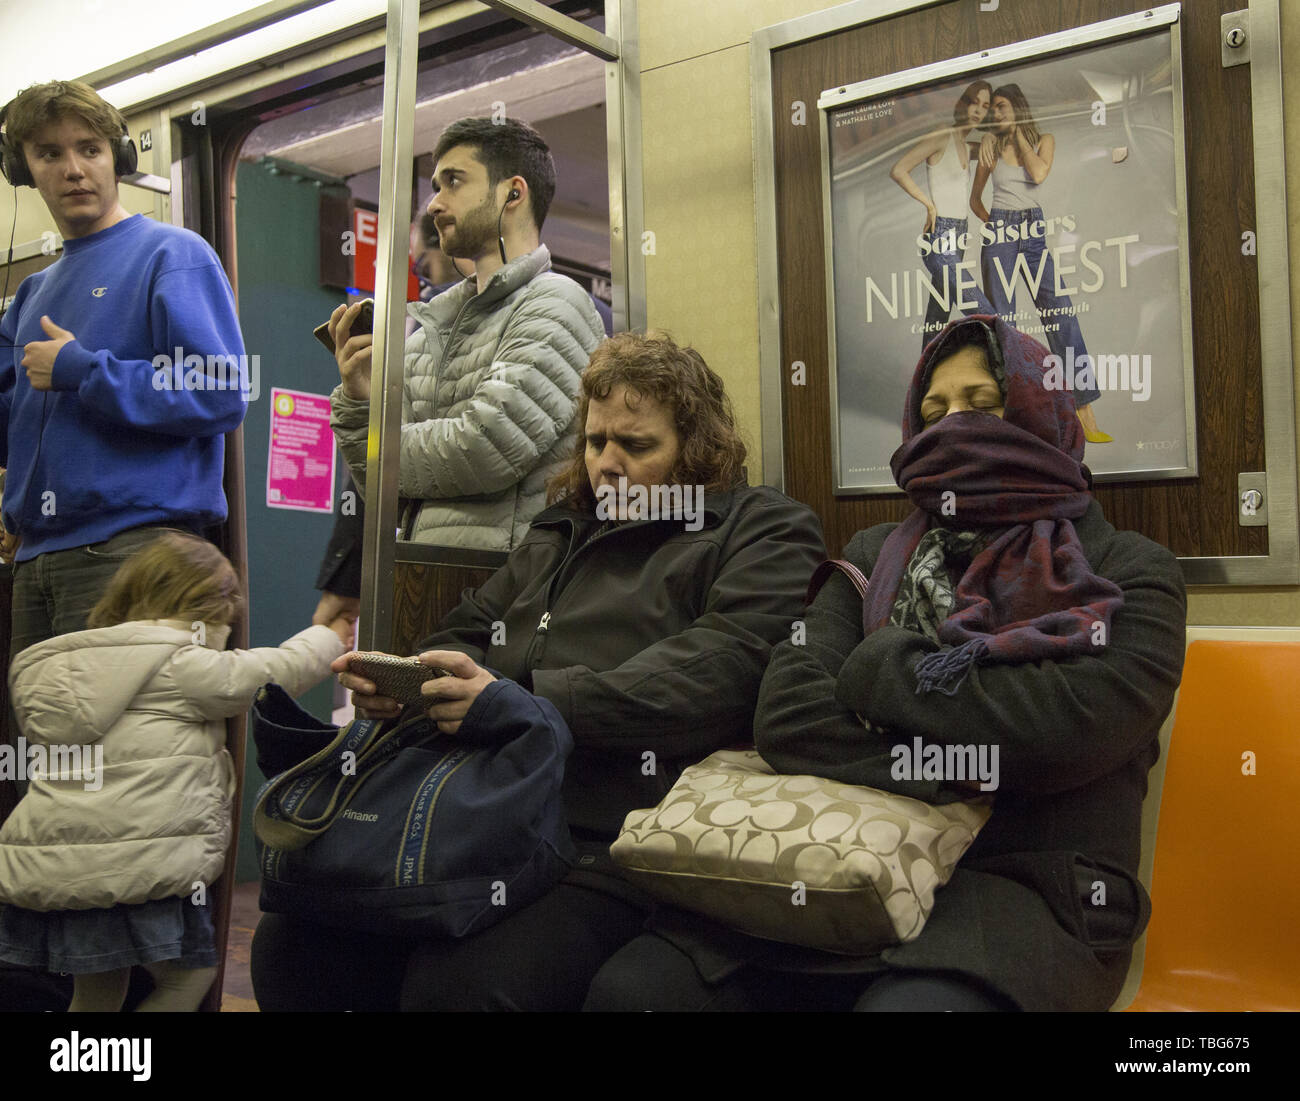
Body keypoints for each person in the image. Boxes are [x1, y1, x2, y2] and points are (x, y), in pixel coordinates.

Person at [583, 315, 1186, 1012]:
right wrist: (973, 771)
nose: (953, 425)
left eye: (982, 404)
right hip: (840, 863)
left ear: (1041, 411)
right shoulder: (873, 553)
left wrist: (881, 666)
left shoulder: (1127, 572)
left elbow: (1072, 728)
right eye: (934, 410)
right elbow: (790, 714)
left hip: (1023, 888)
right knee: (638, 990)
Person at [251, 331, 827, 1011]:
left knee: (463, 987)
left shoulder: (759, 527)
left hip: (612, 828)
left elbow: (722, 667)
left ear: (698, 450)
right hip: (483, 810)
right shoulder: (560, 532)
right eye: (593, 442)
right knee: (292, 946)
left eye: (635, 446)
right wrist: (408, 683)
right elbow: (466, 631)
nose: (605, 465)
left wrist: (526, 702)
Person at [0, 532, 354, 1011]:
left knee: (98, 989)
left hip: (63, 867)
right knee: (192, 975)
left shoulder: (70, 666)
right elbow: (270, 672)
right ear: (209, 606)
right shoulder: (176, 663)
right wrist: (328, 635)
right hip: (134, 863)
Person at [0, 81, 249, 658]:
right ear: (24, 170)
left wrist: (84, 370)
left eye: (89, 149)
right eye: (50, 154)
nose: (73, 169)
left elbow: (219, 394)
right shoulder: (32, 293)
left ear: (118, 157)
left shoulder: (173, 253)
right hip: (36, 557)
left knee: (130, 748)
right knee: (51, 750)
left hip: (132, 553)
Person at [325, 116, 605, 553]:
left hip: (515, 587)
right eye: (436, 186)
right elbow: (384, 495)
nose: (435, 204)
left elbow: (483, 447)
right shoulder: (428, 333)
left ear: (513, 192)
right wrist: (361, 403)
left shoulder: (556, 303)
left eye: (453, 182)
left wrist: (379, 442)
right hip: (425, 581)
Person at [970, 83, 1110, 444]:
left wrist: (1014, 133)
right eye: (994, 109)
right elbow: (975, 201)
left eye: (1002, 107)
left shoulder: (1042, 140)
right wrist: (996, 229)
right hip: (1001, 230)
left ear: (1017, 107)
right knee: (1004, 323)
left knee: (1062, 315)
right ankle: (1012, 418)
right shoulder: (991, 146)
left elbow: (1038, 175)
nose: (996, 113)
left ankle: (1086, 416)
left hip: (1034, 233)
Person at [889, 80, 997, 349]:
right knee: (985, 315)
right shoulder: (942, 134)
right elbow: (899, 169)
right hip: (940, 239)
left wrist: (988, 136)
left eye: (985, 106)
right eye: (974, 101)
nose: (978, 110)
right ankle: (1017, 375)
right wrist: (929, 205)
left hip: (960, 236)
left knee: (937, 319)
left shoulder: (965, 144)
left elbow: (991, 145)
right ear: (964, 103)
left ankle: (924, 386)